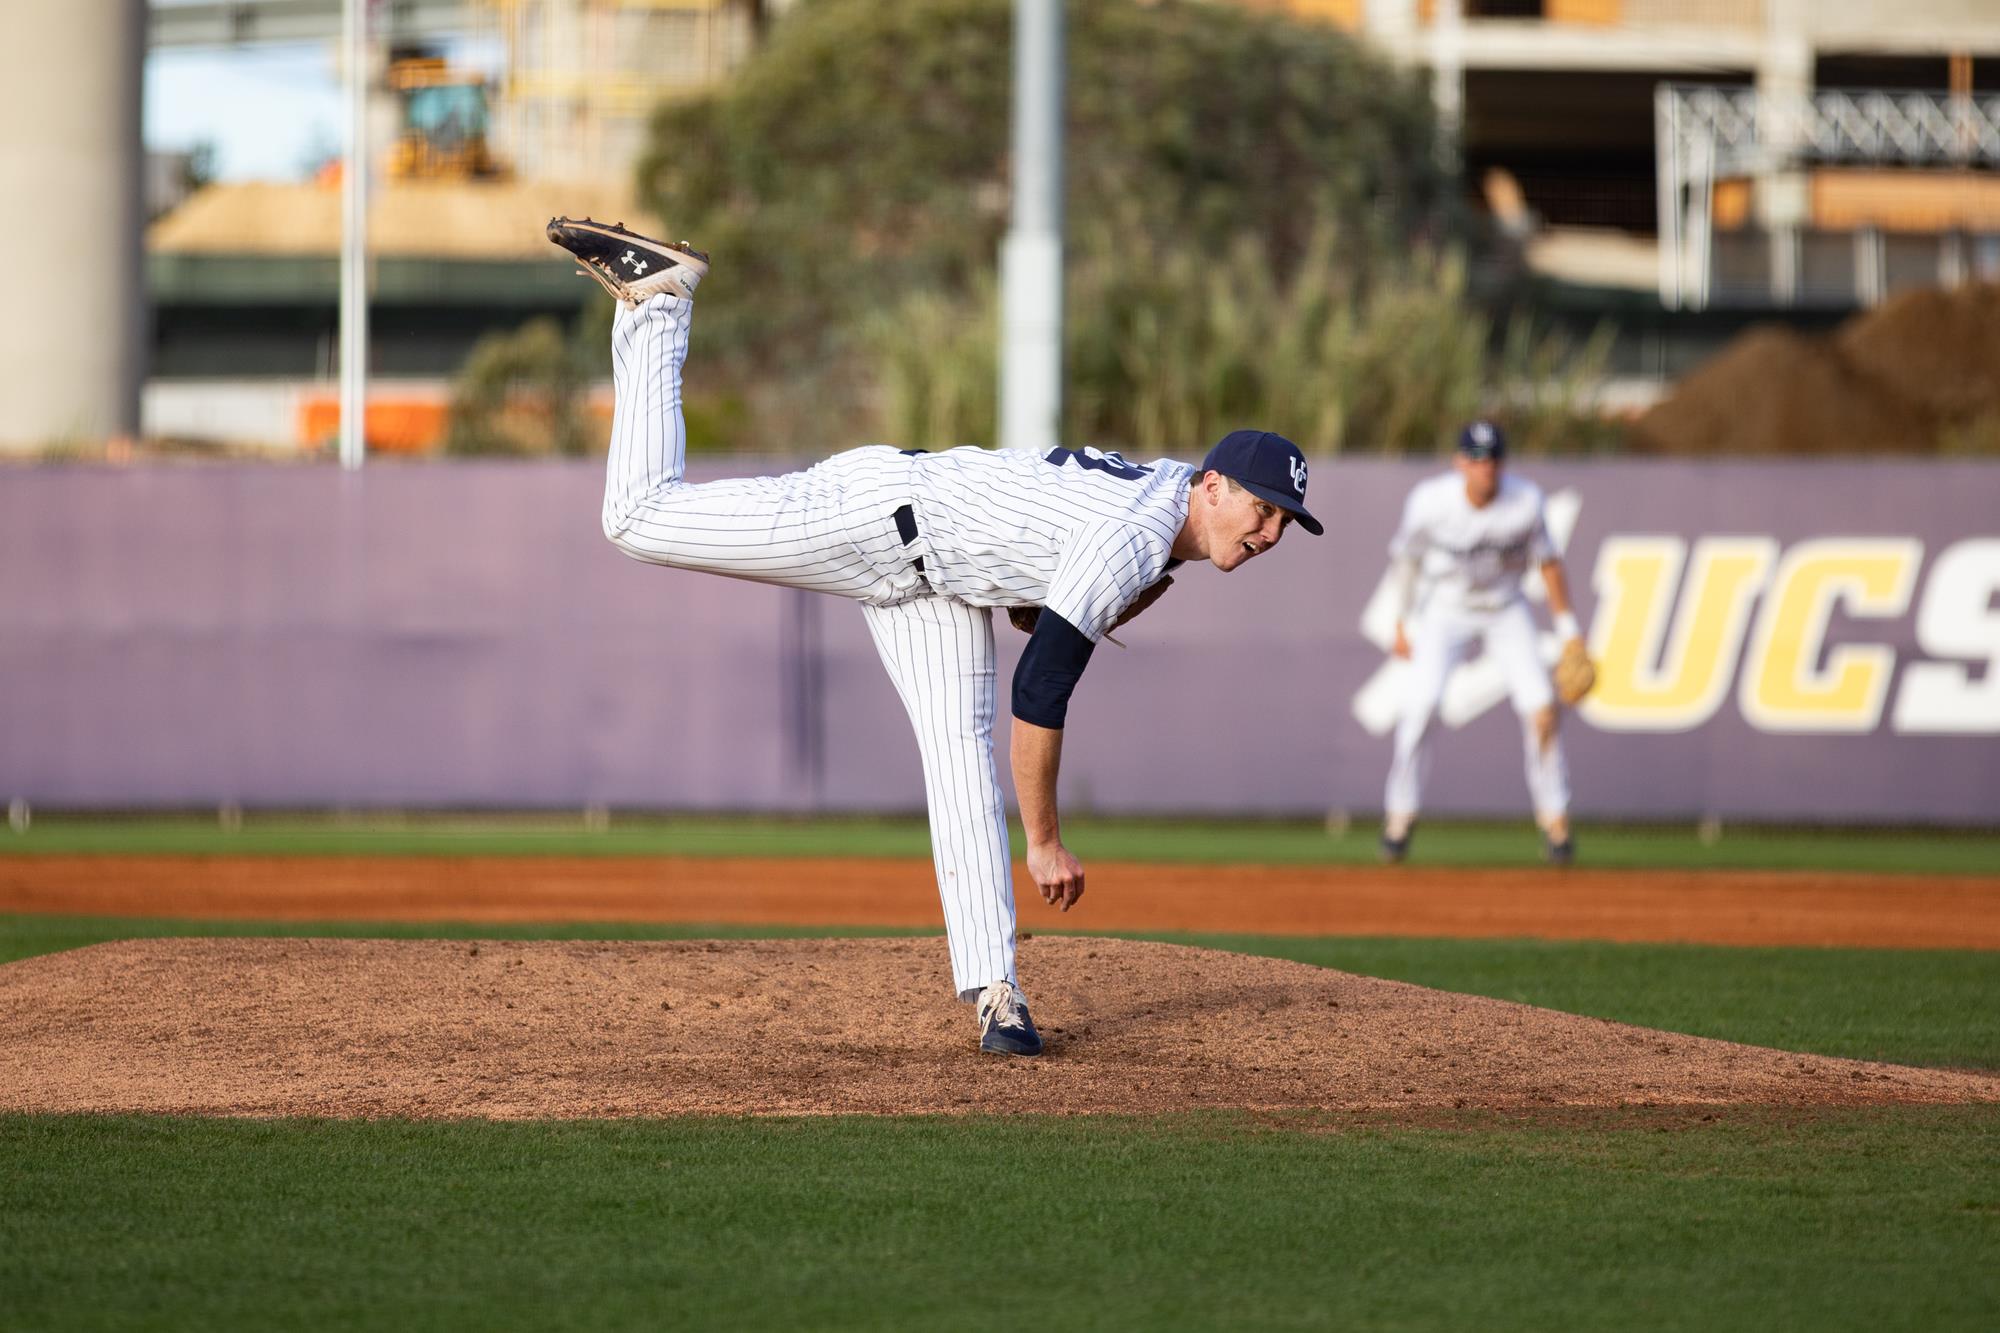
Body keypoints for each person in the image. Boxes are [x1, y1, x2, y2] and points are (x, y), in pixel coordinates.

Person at [547, 216, 1324, 1056]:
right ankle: (658, 306)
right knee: (638, 518)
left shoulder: (1174, 506)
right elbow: (1043, 685)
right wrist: (1046, 840)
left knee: (958, 753)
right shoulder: (1139, 533)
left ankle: (999, 994)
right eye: (1261, 508)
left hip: (939, 580)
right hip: (880, 517)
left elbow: (1061, 565)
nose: (1270, 533)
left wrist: (1069, 591)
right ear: (1212, 486)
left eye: (1284, 521)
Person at [1377, 420, 1584, 865]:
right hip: (1445, 609)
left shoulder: (1525, 502)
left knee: (1542, 708)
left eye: (1491, 458)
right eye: (1475, 457)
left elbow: (1549, 564)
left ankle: (1556, 821)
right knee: (1418, 708)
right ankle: (1399, 816)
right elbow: (1407, 561)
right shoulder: (1432, 502)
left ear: (1502, 463)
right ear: (1459, 462)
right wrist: (1401, 621)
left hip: (1505, 610)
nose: (1484, 467)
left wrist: (1569, 631)